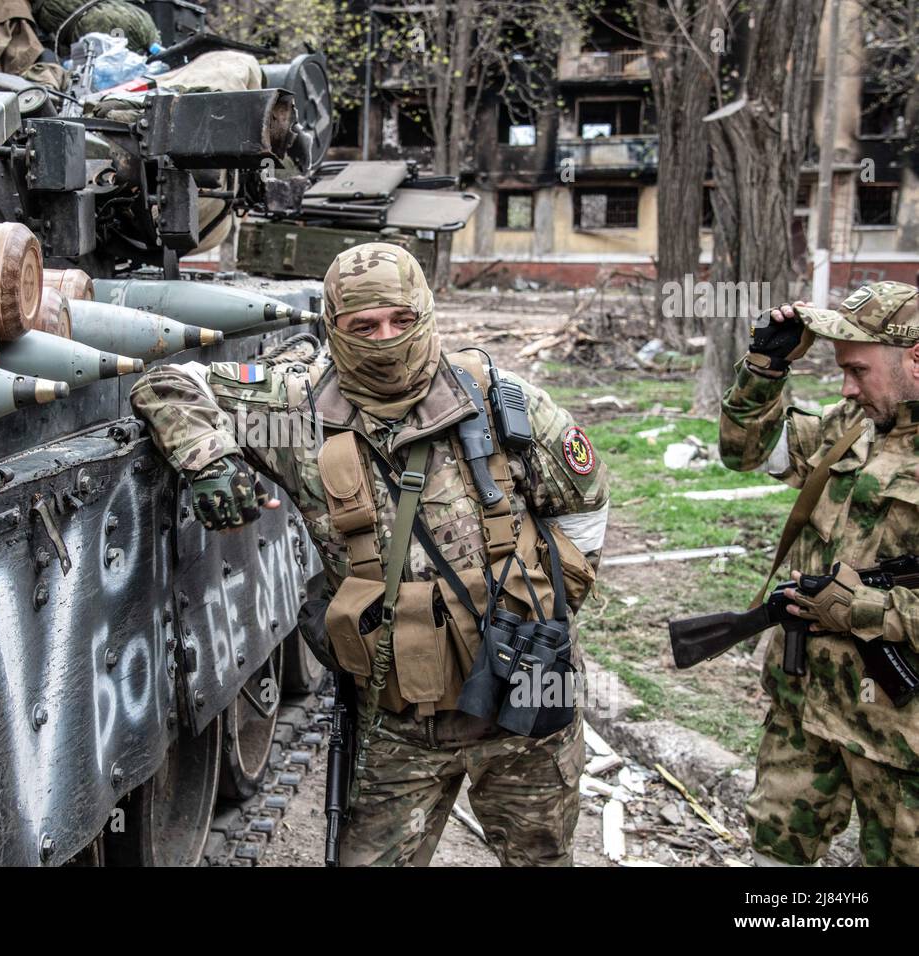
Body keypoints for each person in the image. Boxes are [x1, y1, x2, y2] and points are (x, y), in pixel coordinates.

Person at [130, 243, 609, 865]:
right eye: (364, 326)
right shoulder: (293, 411)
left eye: (400, 320)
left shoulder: (501, 401)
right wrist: (210, 460)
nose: (385, 338)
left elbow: (586, 499)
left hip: (526, 694)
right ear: (335, 330)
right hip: (396, 719)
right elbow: (168, 382)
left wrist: (553, 604)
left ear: (425, 315)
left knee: (542, 857)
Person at [720, 280, 919, 866]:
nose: (844, 387)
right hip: (803, 704)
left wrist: (865, 609)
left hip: (900, 732)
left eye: (858, 370)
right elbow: (745, 449)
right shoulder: (849, 427)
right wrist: (766, 365)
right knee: (775, 858)